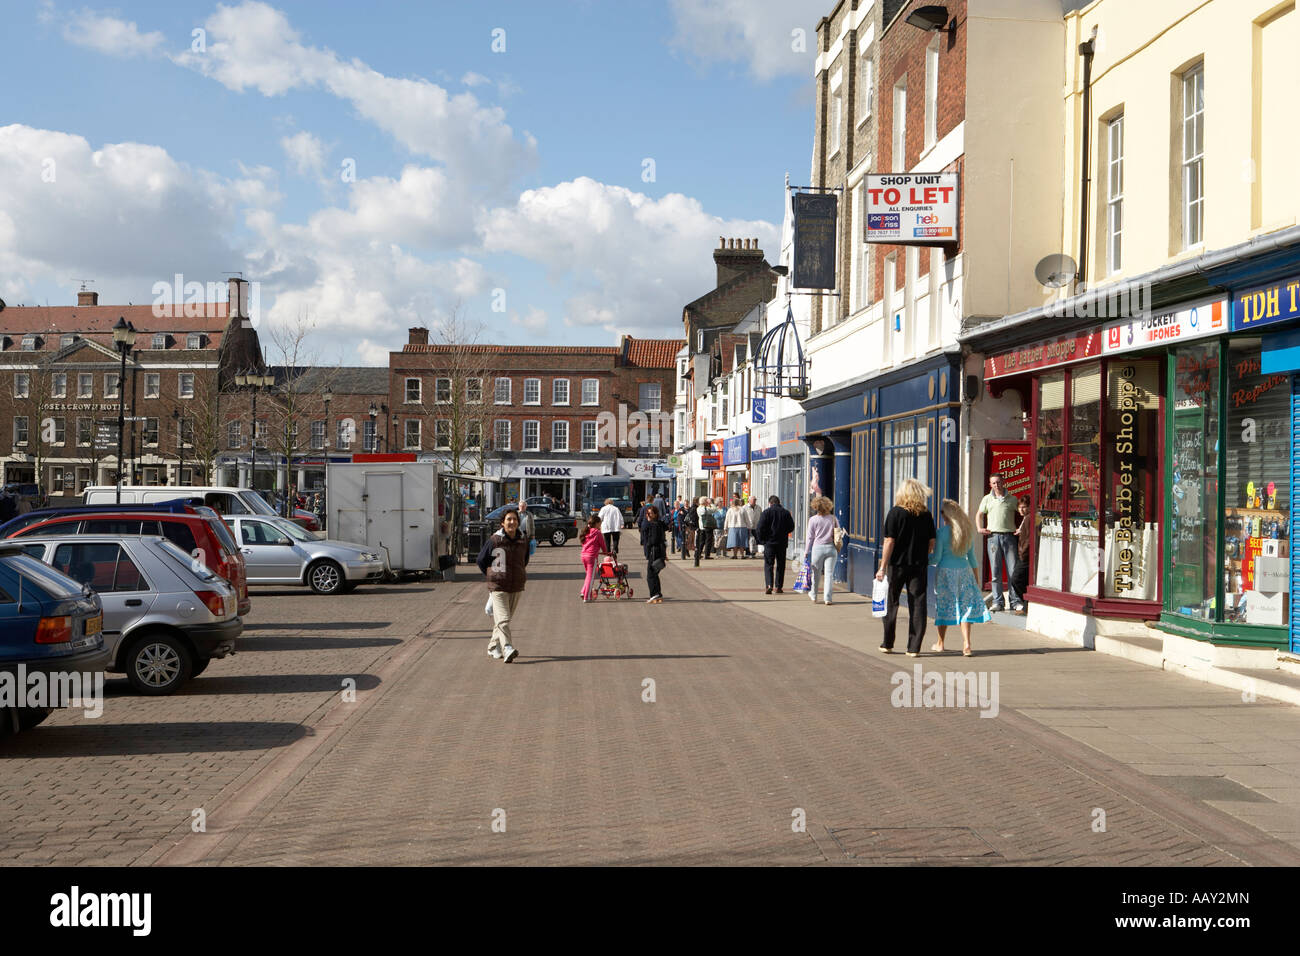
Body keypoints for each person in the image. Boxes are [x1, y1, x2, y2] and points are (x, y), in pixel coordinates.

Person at [876, 478, 937, 657]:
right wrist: (922, 553)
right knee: (918, 603)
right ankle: (914, 647)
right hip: (918, 565)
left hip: (897, 564)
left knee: (891, 601)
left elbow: (889, 541)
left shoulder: (895, 513)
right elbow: (931, 541)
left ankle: (888, 643)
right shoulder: (926, 514)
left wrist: (882, 566)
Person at [929, 498, 990, 657]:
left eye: (942, 513)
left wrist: (923, 560)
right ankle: (967, 644)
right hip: (965, 572)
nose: (942, 516)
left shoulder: (941, 533)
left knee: (944, 605)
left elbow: (936, 559)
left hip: (945, 573)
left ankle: (940, 643)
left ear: (947, 515)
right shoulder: (967, 531)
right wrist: (976, 578)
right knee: (966, 607)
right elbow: (972, 558)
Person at [475, 508, 530, 663]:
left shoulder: (522, 539)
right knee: (503, 619)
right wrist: (492, 575)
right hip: (498, 586)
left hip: (516, 584)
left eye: (514, 519)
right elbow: (481, 560)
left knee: (503, 620)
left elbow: (524, 559)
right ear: (502, 523)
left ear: (518, 522)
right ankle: (507, 648)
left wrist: (519, 572)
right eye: (508, 519)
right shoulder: (494, 540)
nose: (512, 522)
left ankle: (493, 647)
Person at [977, 473, 1023, 613]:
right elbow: (979, 514)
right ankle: (998, 602)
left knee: (1013, 571)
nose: (997, 485)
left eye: (999, 482)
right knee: (996, 572)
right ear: (990, 485)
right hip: (993, 538)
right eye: (994, 483)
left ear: (1004, 482)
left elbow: (1023, 513)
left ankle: (1015, 601)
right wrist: (979, 528)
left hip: (1009, 537)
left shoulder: (1013, 499)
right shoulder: (987, 499)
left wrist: (1021, 528)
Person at [756, 495, 795, 594]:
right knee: (781, 565)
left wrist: (762, 540)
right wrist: (784, 532)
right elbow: (791, 527)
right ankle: (778, 586)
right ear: (779, 502)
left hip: (769, 542)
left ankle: (769, 585)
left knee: (769, 564)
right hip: (782, 543)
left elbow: (759, 528)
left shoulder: (766, 512)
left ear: (770, 503)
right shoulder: (785, 513)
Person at [804, 496, 839, 605]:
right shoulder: (833, 518)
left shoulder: (813, 520)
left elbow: (810, 537)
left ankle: (814, 595)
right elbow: (838, 532)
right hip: (831, 548)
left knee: (816, 573)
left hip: (817, 548)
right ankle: (828, 598)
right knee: (829, 574)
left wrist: (806, 551)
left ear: (816, 507)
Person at [641, 504, 668, 604]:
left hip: (654, 550)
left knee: (650, 574)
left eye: (651, 513)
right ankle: (658, 593)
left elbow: (653, 539)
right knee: (655, 573)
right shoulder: (658, 523)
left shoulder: (654, 525)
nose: (649, 515)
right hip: (659, 550)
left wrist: (648, 544)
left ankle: (654, 594)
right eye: (647, 513)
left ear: (655, 514)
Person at [1011, 498, 1031, 613]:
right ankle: (1026, 605)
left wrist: (1023, 553)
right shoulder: (1025, 518)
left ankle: (1026, 603)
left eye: (1024, 507)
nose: (1021, 510)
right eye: (1019, 507)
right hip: (1023, 554)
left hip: (1025, 556)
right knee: (1023, 580)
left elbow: (1029, 539)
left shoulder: (1028, 518)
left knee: (1016, 579)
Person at [579, 514, 605, 602]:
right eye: (600, 523)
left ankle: (583, 592)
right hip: (592, 557)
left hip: (583, 555)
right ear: (597, 523)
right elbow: (603, 545)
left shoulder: (586, 531)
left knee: (588, 576)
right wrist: (606, 553)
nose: (600, 525)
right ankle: (587, 597)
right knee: (591, 577)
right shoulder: (597, 533)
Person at [694, 496, 716, 565]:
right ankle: (707, 555)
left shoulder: (698, 508)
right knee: (708, 541)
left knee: (702, 541)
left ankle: (698, 553)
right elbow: (714, 510)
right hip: (708, 526)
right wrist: (711, 503)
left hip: (701, 526)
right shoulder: (705, 508)